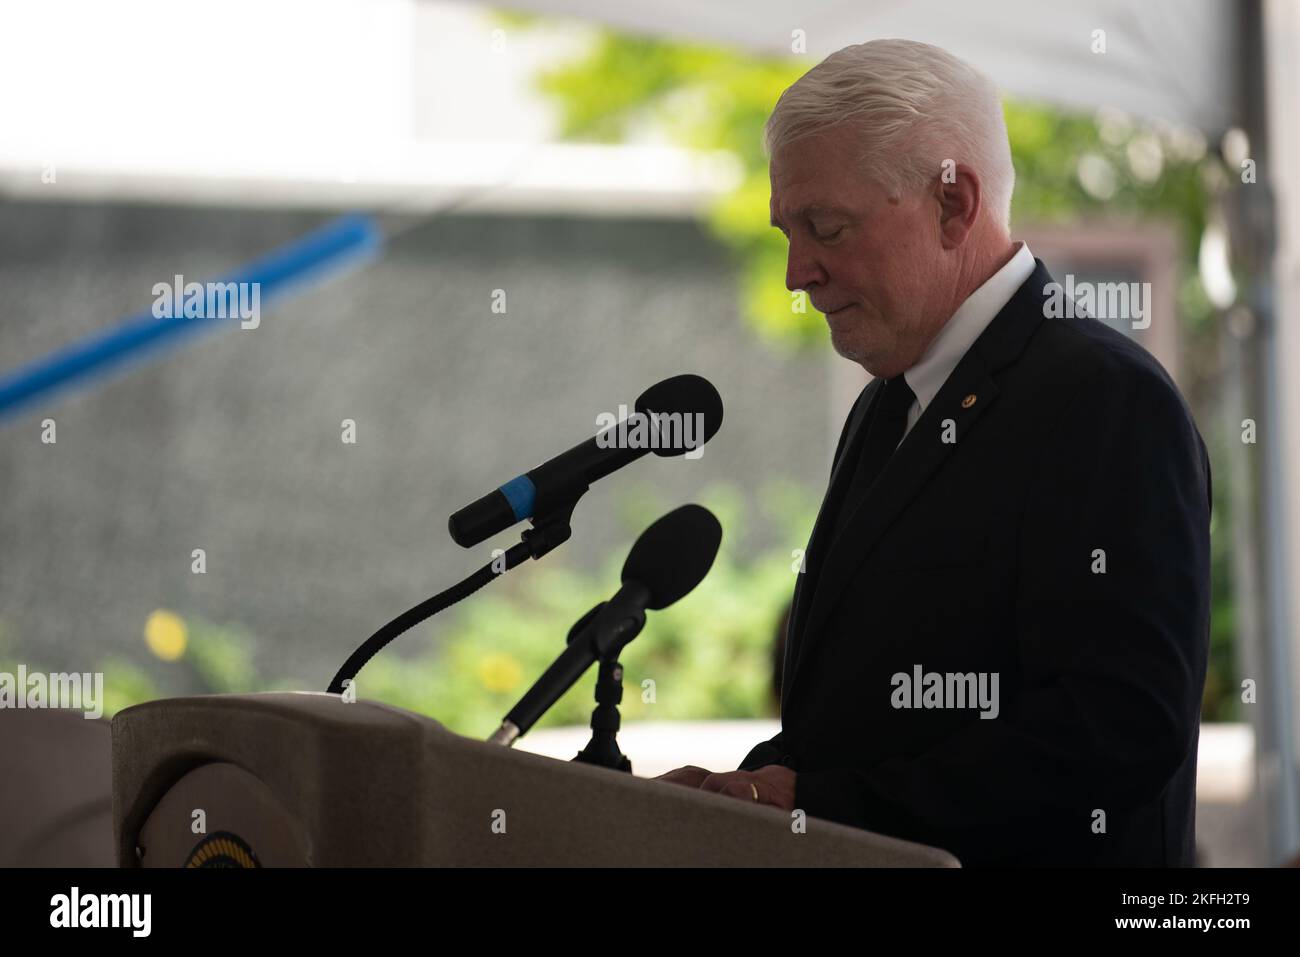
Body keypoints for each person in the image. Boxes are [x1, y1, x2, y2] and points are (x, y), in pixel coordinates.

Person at [656, 39, 1212, 867]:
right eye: (787, 230)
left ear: (953, 202)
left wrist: (815, 802)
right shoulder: (895, 400)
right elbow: (862, 721)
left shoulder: (1103, 398)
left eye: (825, 226)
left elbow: (1117, 731)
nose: (795, 273)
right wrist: (749, 786)